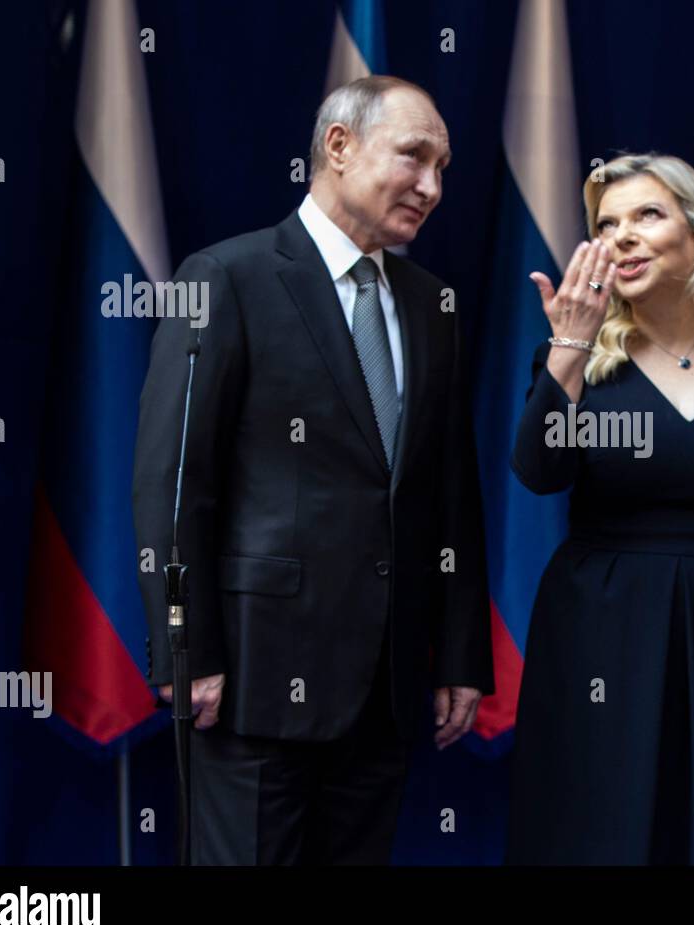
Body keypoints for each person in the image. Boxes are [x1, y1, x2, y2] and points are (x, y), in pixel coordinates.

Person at [132, 76, 491, 864]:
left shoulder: (433, 305)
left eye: (444, 168)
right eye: (414, 158)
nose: (432, 187)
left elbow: (448, 492)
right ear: (338, 147)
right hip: (255, 681)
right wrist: (184, 650)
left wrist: (461, 652)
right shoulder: (225, 277)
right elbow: (175, 479)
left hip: (387, 689)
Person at [505, 153, 694, 864]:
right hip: (598, 626)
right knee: (597, 825)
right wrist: (570, 345)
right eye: (607, 224)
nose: (623, 236)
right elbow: (539, 473)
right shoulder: (576, 357)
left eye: (647, 215)